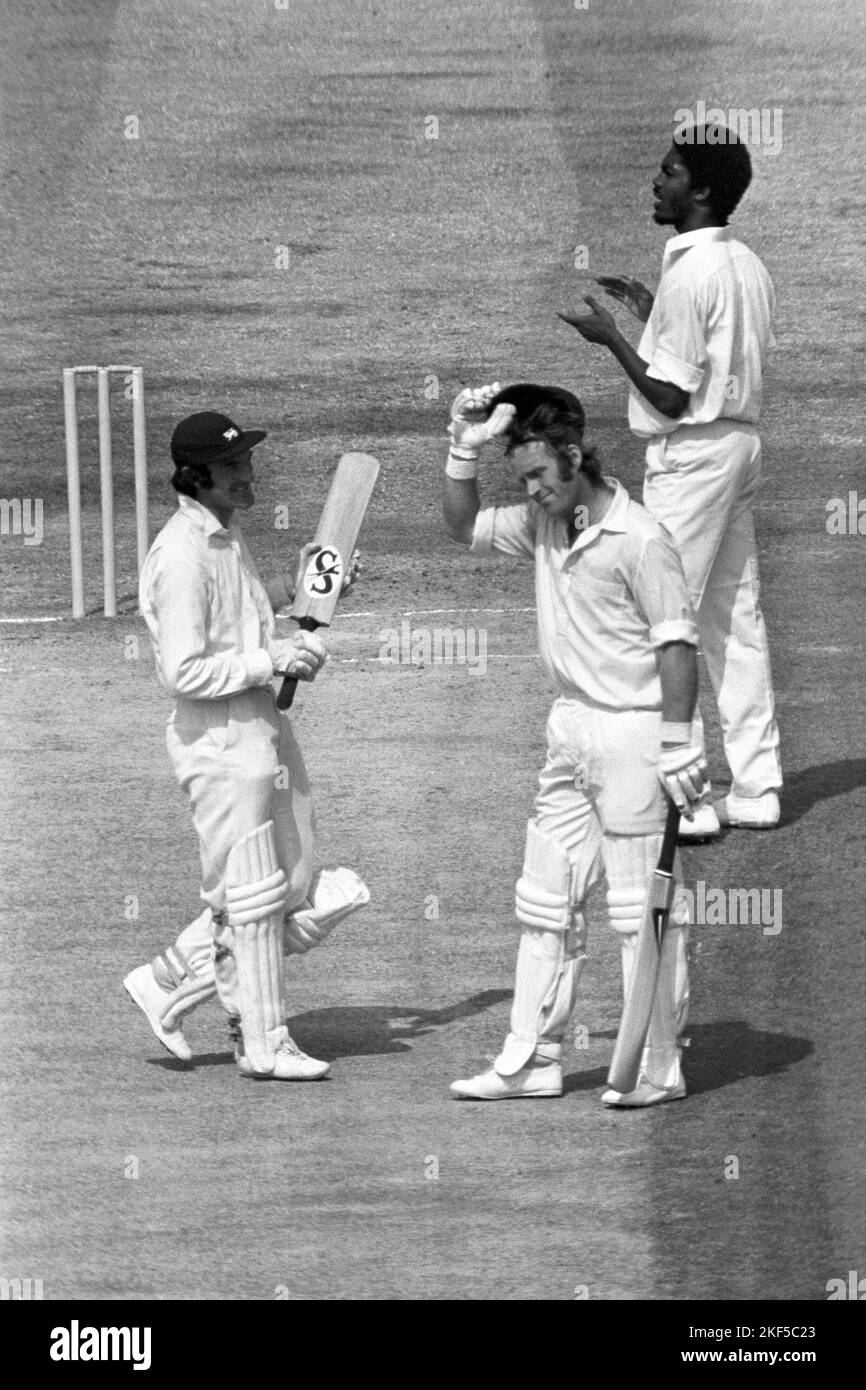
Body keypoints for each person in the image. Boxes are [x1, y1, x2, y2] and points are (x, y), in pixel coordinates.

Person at [443, 382, 704, 1106]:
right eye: (521, 479)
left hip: (633, 734)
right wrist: (462, 451)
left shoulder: (640, 539)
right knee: (544, 898)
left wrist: (679, 744)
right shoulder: (545, 522)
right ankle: (533, 1059)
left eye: (537, 476)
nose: (530, 492)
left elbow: (678, 645)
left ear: (573, 456)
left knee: (635, 913)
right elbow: (461, 527)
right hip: (570, 730)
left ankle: (656, 1065)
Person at [123, 411, 369, 1080]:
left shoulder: (226, 539)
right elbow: (183, 671)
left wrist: (312, 592)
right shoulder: (180, 555)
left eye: (247, 463)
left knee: (290, 886)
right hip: (219, 741)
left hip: (260, 729)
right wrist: (272, 661)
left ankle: (166, 981)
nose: (248, 476)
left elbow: (248, 613)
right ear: (196, 477)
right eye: (233, 468)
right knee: (252, 898)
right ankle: (262, 1043)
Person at [559, 122, 782, 839]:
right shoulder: (743, 264)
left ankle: (686, 801)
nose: (657, 182)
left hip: (692, 460)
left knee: (665, 619)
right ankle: (756, 788)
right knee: (732, 621)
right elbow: (713, 358)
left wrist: (614, 340)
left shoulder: (694, 273)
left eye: (671, 172)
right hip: (739, 448)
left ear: (705, 190)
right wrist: (651, 313)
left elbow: (671, 398)